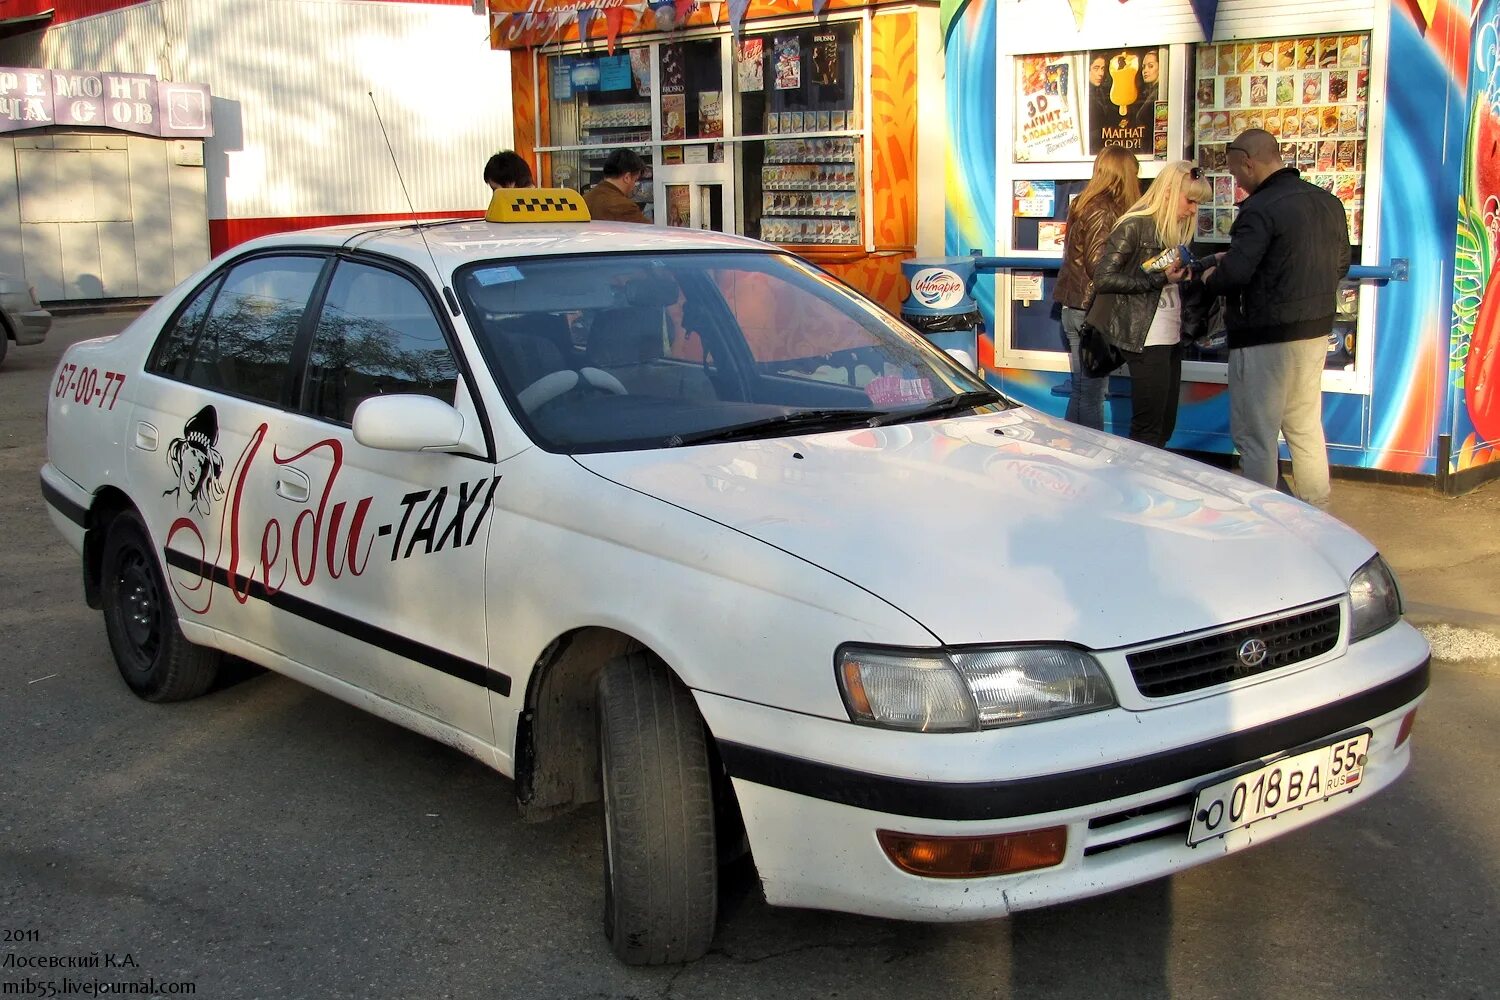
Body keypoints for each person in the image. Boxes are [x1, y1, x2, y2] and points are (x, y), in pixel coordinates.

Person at [1201, 128, 1350, 507]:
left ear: (1248, 162)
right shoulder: (1328, 202)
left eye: (1235, 173)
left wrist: (1210, 275)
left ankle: (1265, 518)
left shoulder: (1259, 209)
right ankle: (1319, 510)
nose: (1236, 183)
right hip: (1315, 331)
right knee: (1304, 427)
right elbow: (1342, 264)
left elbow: (1235, 275)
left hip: (1264, 338)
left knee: (1256, 436)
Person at [1090, 160, 1213, 449]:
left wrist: (1204, 265)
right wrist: (1157, 281)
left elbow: (1168, 278)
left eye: (1198, 203)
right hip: (1145, 336)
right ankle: (1134, 489)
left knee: (1164, 426)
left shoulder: (1174, 230)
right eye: (1191, 200)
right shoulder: (1134, 225)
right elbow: (1104, 278)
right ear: (1168, 192)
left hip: (1169, 333)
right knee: (1149, 429)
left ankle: (1148, 488)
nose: (1194, 209)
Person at [1052, 145, 1141, 430]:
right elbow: (1098, 264)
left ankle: (1073, 451)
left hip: (1077, 306)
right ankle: (1089, 459)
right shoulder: (1103, 210)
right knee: (1091, 393)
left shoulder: (1085, 203)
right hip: (1089, 310)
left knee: (1083, 389)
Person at [584, 148, 648, 223]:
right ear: (627, 177)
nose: (634, 185)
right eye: (635, 180)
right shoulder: (625, 207)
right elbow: (648, 232)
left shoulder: (585, 199)